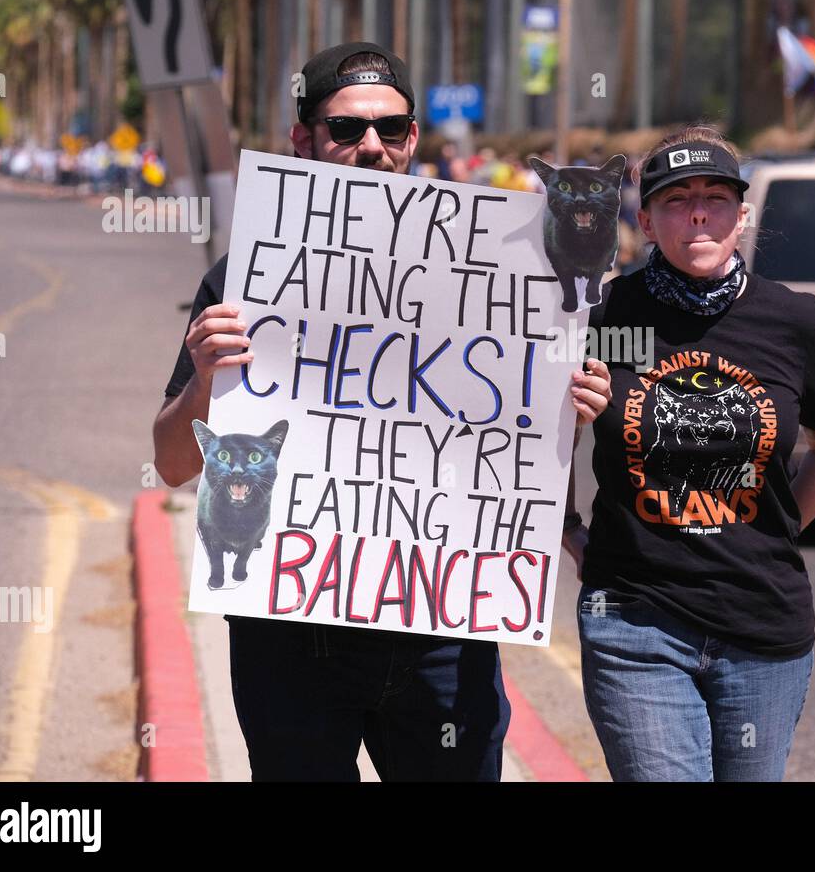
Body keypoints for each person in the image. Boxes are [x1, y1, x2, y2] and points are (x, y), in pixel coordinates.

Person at [151, 42, 612, 781]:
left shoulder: (506, 270)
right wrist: (205, 380)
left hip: (442, 634)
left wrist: (566, 409)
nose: (372, 146)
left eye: (391, 129)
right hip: (291, 633)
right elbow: (175, 463)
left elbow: (516, 448)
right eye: (346, 130)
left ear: (413, 139)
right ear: (303, 141)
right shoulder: (247, 277)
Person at [564, 125, 815, 781]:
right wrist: (568, 531)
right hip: (635, 623)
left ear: (742, 214)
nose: (698, 211)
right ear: (644, 219)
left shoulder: (792, 319)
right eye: (675, 198)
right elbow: (545, 437)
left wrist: (777, 530)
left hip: (764, 630)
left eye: (715, 196)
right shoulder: (610, 315)